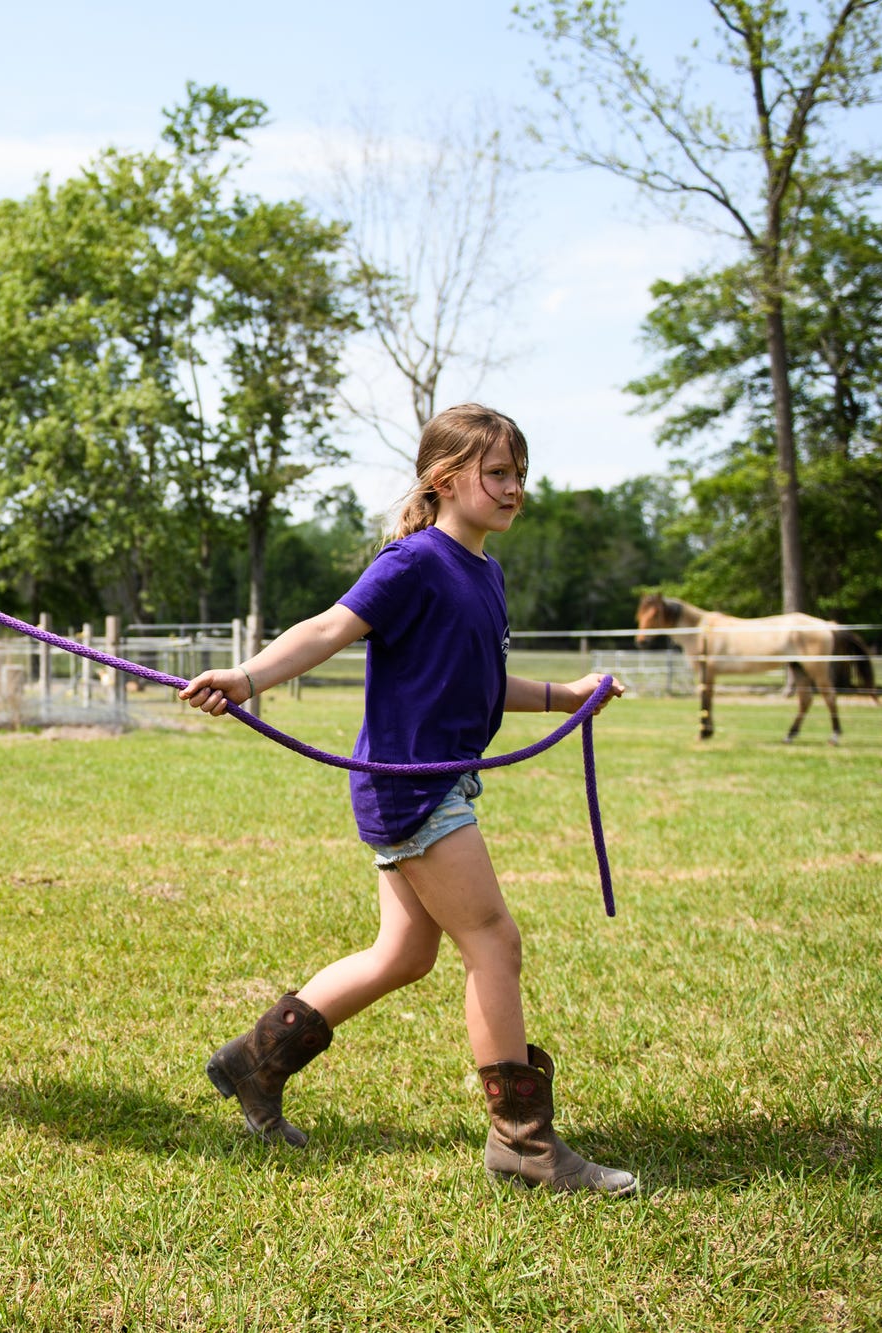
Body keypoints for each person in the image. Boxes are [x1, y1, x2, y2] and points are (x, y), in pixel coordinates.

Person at [179, 404, 637, 1196]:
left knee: (403, 953)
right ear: (445, 479)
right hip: (410, 783)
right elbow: (329, 627)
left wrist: (566, 694)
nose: (514, 487)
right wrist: (247, 677)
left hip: (437, 778)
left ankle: (255, 1062)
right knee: (493, 939)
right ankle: (523, 1143)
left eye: (520, 474)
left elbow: (481, 680)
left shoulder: (485, 572)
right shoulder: (414, 562)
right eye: (498, 473)